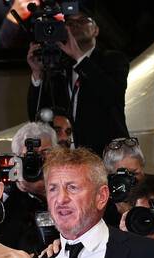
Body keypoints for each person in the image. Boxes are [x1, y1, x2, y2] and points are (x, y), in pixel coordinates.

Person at [27, 15, 129, 156]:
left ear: (96, 30)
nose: (75, 24)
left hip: (107, 155)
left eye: (82, 21)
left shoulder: (113, 59)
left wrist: (80, 58)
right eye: (69, 22)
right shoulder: (60, 66)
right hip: (68, 157)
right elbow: (40, 116)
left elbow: (112, 95)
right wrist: (37, 73)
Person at [0, 122, 57, 256]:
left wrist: (46, 192)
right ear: (16, 159)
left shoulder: (69, 190)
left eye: (45, 153)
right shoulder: (3, 200)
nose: (38, 161)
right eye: (30, 156)